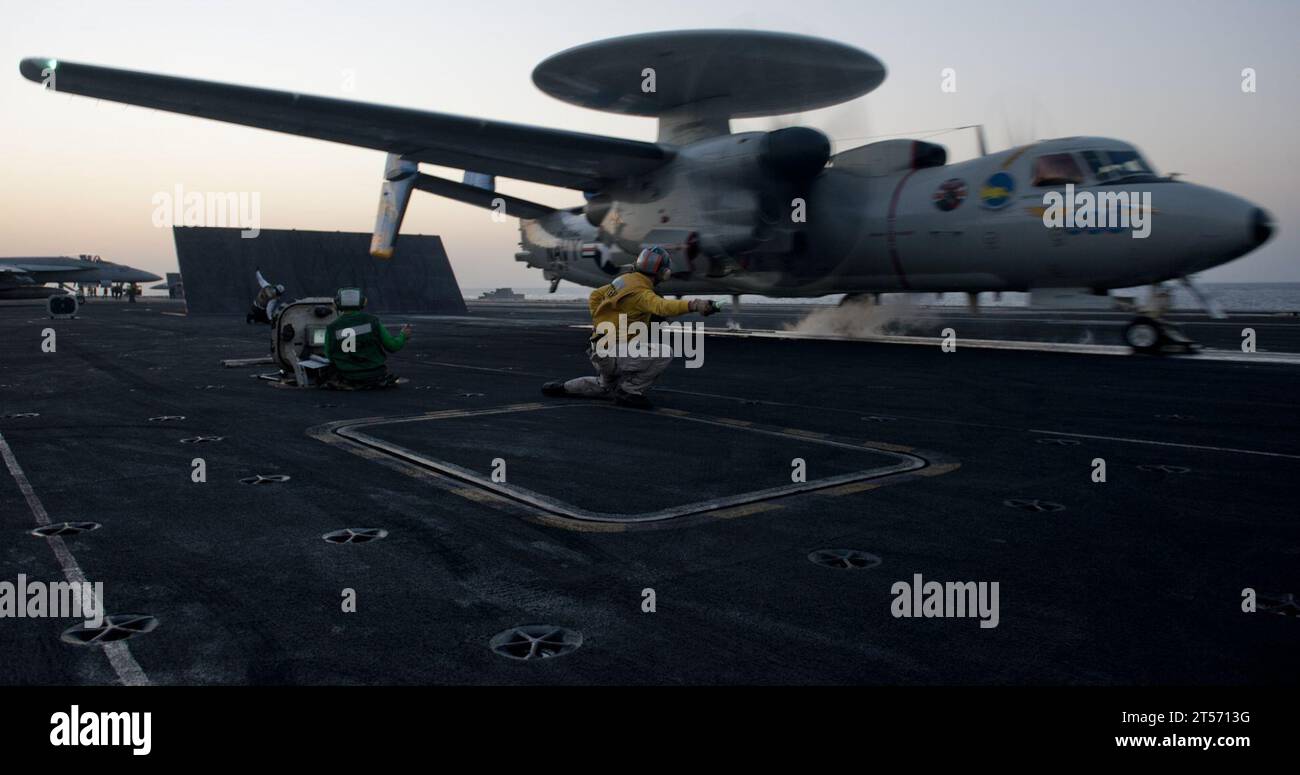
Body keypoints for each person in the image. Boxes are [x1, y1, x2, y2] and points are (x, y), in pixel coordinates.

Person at [542, 246, 718, 408]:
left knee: (604, 386)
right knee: (665, 352)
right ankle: (629, 391)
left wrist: (600, 321)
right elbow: (662, 307)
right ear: (664, 272)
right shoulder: (641, 291)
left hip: (600, 351)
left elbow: (595, 295)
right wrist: (695, 305)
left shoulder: (623, 281)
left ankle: (562, 388)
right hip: (617, 353)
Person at [323, 287, 413, 389]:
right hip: (375, 375)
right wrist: (403, 335)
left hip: (347, 376)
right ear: (363, 302)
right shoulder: (373, 321)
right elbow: (393, 346)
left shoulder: (332, 327)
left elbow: (329, 355)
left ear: (336, 304)